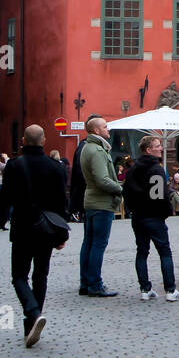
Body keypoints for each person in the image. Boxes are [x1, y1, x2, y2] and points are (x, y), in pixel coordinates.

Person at [1, 124, 68, 347]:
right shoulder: (56, 167)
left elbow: (6, 197)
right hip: (46, 229)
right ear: (44, 141)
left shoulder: (14, 165)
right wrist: (61, 235)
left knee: (19, 276)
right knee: (41, 275)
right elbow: (61, 203)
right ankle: (32, 321)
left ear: (23, 140)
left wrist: (0, 219)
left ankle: (32, 312)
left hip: (22, 227)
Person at [123, 135, 179, 302]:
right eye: (157, 145)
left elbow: (126, 193)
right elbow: (160, 196)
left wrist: (132, 210)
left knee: (142, 252)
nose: (161, 148)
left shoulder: (133, 169)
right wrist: (165, 212)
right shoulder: (156, 169)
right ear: (149, 150)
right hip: (154, 217)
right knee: (164, 252)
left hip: (138, 216)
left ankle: (145, 289)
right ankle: (170, 290)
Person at [78, 115, 123, 296]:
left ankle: (85, 282)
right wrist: (120, 188)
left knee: (88, 243)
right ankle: (95, 284)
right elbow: (102, 179)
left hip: (91, 201)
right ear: (96, 131)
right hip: (101, 202)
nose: (108, 130)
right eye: (105, 127)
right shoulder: (96, 151)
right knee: (98, 244)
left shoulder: (87, 147)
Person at [68, 134, 88, 223]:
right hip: (88, 196)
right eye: (104, 127)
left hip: (85, 195)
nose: (107, 129)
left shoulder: (83, 146)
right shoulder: (85, 147)